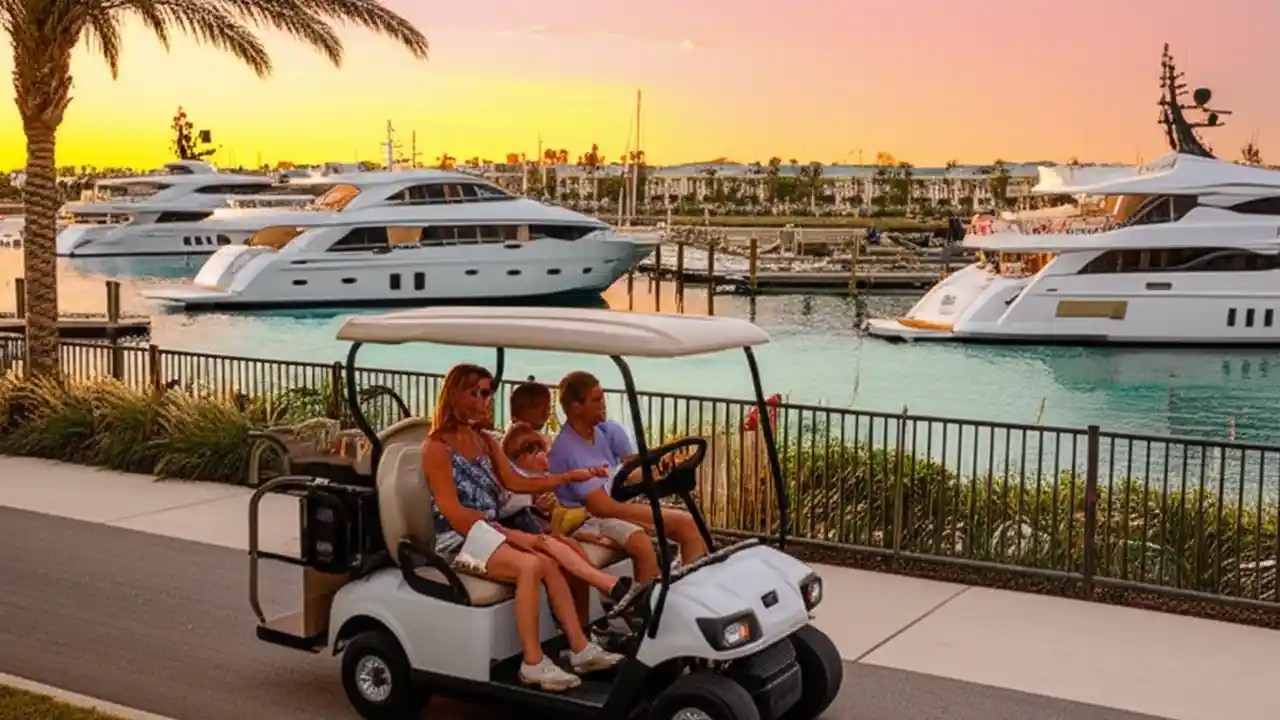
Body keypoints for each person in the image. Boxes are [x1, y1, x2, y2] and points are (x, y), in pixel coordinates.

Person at [421, 364, 624, 692]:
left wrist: (568, 477)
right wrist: (511, 535)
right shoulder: (436, 447)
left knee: (547, 558)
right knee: (530, 564)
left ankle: (579, 647)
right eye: (476, 392)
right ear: (455, 394)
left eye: (487, 393)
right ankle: (532, 663)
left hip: (490, 531)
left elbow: (517, 480)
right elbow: (453, 512)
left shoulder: (484, 440)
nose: (484, 400)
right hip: (459, 540)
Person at [547, 371, 709, 582]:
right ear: (576, 407)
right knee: (672, 529)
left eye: (602, 399)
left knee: (691, 523)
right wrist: (653, 513)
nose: (602, 405)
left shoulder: (605, 430)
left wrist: (663, 467)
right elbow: (601, 507)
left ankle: (685, 588)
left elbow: (632, 467)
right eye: (596, 400)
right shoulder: (569, 449)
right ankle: (650, 606)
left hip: (613, 504)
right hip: (585, 518)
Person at [503, 423, 646, 624]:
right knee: (570, 550)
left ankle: (617, 609)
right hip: (542, 532)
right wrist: (535, 502)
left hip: (571, 524)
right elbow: (511, 508)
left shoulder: (553, 475)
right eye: (528, 449)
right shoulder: (517, 485)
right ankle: (597, 611)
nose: (538, 453)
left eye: (539, 447)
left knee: (578, 547)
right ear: (513, 459)